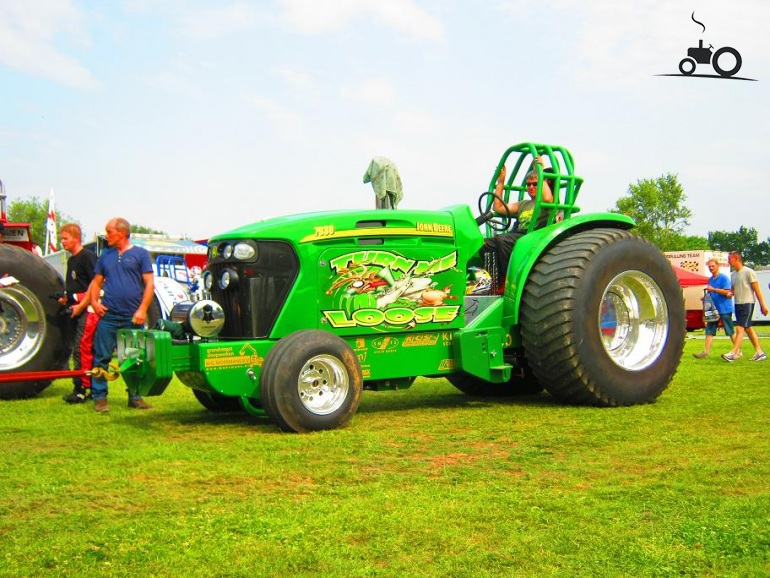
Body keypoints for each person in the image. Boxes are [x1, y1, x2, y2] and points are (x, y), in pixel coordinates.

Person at [88, 218, 155, 412]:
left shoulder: (140, 254)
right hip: (108, 315)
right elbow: (96, 282)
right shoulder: (105, 256)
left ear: (122, 233)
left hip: (132, 317)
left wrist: (142, 309)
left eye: (109, 232)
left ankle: (135, 396)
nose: (106, 235)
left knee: (133, 357)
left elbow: (149, 284)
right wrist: (94, 303)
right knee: (101, 357)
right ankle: (100, 398)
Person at [483, 156, 555, 273]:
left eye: (535, 184)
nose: (531, 187)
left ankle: (509, 278)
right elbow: (498, 207)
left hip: (533, 236)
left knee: (503, 240)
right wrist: (501, 181)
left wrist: (540, 172)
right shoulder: (523, 204)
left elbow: (547, 198)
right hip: (518, 235)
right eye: (528, 184)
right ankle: (493, 281)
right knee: (484, 244)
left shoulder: (547, 203)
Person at [58, 224, 99, 403]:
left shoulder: (88, 257)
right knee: (78, 348)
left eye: (65, 238)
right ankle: (86, 386)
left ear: (76, 238)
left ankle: (82, 388)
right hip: (76, 308)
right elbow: (76, 285)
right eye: (61, 239)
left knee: (83, 348)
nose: (62, 242)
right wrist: (66, 299)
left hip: (88, 310)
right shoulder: (71, 260)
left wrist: (81, 305)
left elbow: (95, 284)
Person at [721, 251, 768, 362]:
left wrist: (763, 305)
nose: (728, 261)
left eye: (730, 259)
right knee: (748, 328)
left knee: (740, 328)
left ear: (736, 258)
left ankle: (733, 353)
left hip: (748, 303)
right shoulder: (733, 275)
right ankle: (760, 352)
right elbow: (732, 290)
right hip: (738, 304)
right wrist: (729, 294)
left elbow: (757, 290)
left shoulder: (748, 272)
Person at [693, 258, 735, 359]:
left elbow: (728, 292)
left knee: (729, 330)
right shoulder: (711, 279)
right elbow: (712, 292)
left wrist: (714, 290)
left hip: (724, 308)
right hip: (714, 309)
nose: (711, 268)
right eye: (709, 266)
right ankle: (705, 352)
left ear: (717, 266)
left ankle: (737, 351)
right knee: (709, 329)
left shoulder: (724, 278)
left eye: (713, 266)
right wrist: (706, 297)